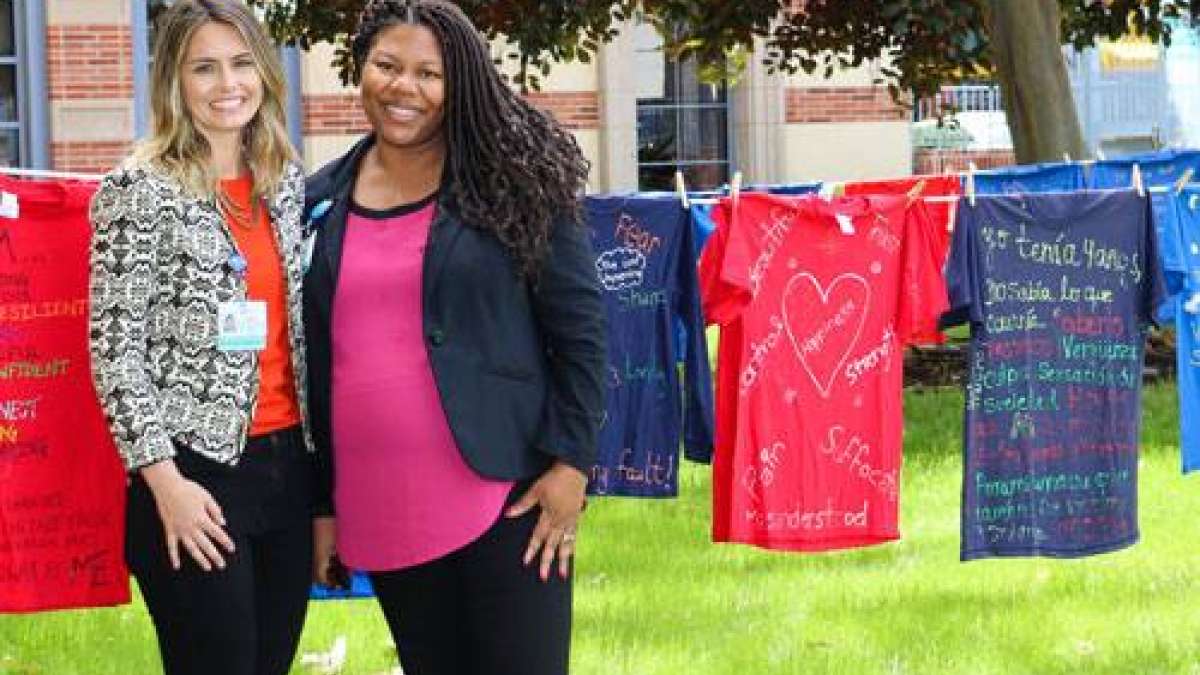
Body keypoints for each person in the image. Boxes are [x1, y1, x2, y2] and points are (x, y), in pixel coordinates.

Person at [303, 1, 607, 673]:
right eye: (386, 65)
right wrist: (324, 502)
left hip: (507, 498)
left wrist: (572, 464)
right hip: (383, 503)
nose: (403, 88)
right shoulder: (321, 200)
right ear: (360, 71)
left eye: (428, 74)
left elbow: (583, 331)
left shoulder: (514, 184)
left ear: (458, 84)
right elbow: (319, 367)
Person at [87, 2, 314, 674]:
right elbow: (114, 351)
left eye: (242, 63)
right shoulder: (138, 189)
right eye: (205, 68)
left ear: (266, 74)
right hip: (193, 474)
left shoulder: (284, 181)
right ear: (175, 81)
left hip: (287, 469)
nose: (228, 84)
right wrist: (166, 483)